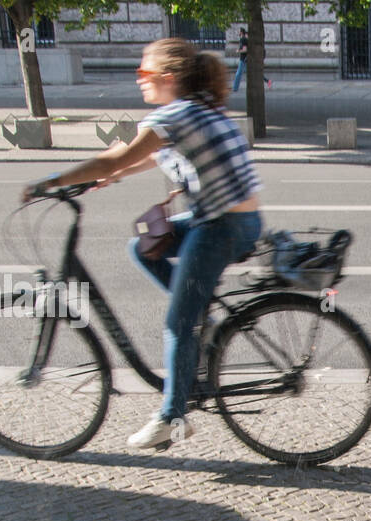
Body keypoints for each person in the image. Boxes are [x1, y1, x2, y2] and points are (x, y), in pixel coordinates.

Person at [21, 38, 262, 450]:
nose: (138, 79)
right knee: (142, 246)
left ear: (168, 78)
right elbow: (144, 159)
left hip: (223, 225)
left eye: (144, 73)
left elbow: (119, 158)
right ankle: (199, 309)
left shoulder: (177, 114)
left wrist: (49, 182)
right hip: (232, 218)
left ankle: (172, 416)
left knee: (178, 323)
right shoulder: (195, 111)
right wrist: (109, 176)